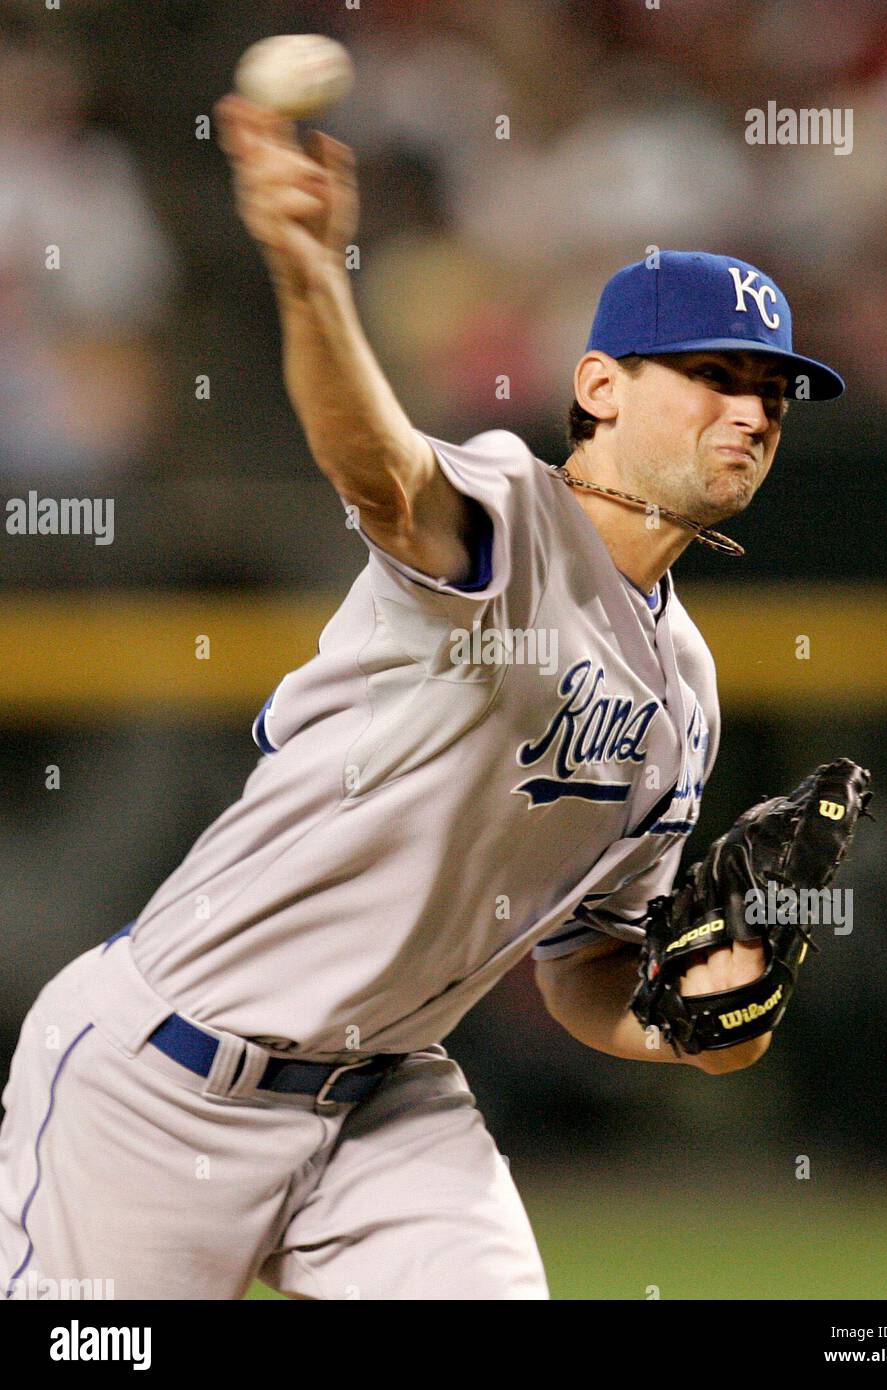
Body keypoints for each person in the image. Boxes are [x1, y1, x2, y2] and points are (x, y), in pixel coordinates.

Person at [0, 96, 843, 1302]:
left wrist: (690, 1020)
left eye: (773, 389)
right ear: (598, 386)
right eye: (713, 374)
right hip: (159, 1081)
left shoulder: (687, 689)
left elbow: (585, 963)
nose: (753, 412)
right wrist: (306, 278)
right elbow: (376, 466)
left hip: (385, 1097)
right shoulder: (507, 510)